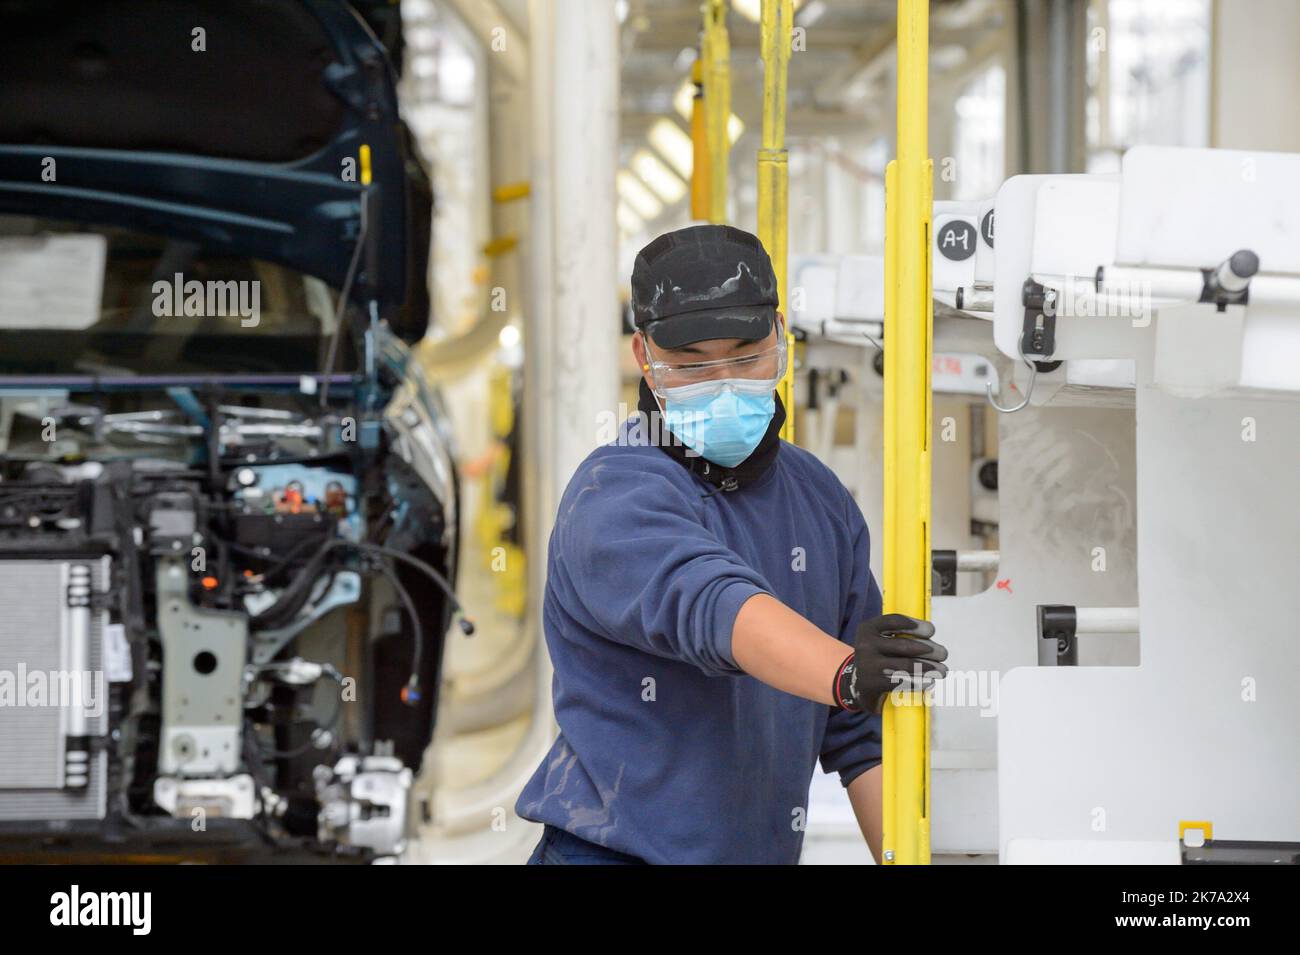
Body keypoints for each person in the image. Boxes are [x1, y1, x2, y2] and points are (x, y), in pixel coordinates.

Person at [516, 224, 947, 864]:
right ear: (644, 357)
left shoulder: (819, 497)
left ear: (780, 336)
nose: (723, 383)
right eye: (693, 365)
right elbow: (713, 607)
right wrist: (846, 672)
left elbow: (859, 735)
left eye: (745, 357)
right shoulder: (613, 495)